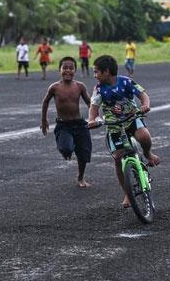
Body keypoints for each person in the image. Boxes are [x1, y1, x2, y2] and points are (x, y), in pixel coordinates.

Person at [87, 55, 160, 209]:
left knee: (143, 136)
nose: (94, 76)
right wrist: (92, 120)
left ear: (106, 72)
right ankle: (127, 191)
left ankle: (147, 153)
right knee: (118, 159)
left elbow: (142, 94)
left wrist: (145, 105)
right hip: (113, 124)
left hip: (131, 118)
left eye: (96, 72)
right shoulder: (99, 89)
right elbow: (93, 107)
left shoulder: (125, 81)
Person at [41, 56, 93, 188]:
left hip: (80, 124)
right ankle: (68, 149)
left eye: (71, 68)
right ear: (59, 70)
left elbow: (90, 103)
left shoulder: (79, 86)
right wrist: (44, 119)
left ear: (75, 70)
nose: (68, 71)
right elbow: (45, 101)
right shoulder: (54, 87)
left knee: (83, 154)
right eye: (65, 68)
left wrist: (94, 117)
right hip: (63, 125)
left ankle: (80, 177)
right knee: (66, 148)